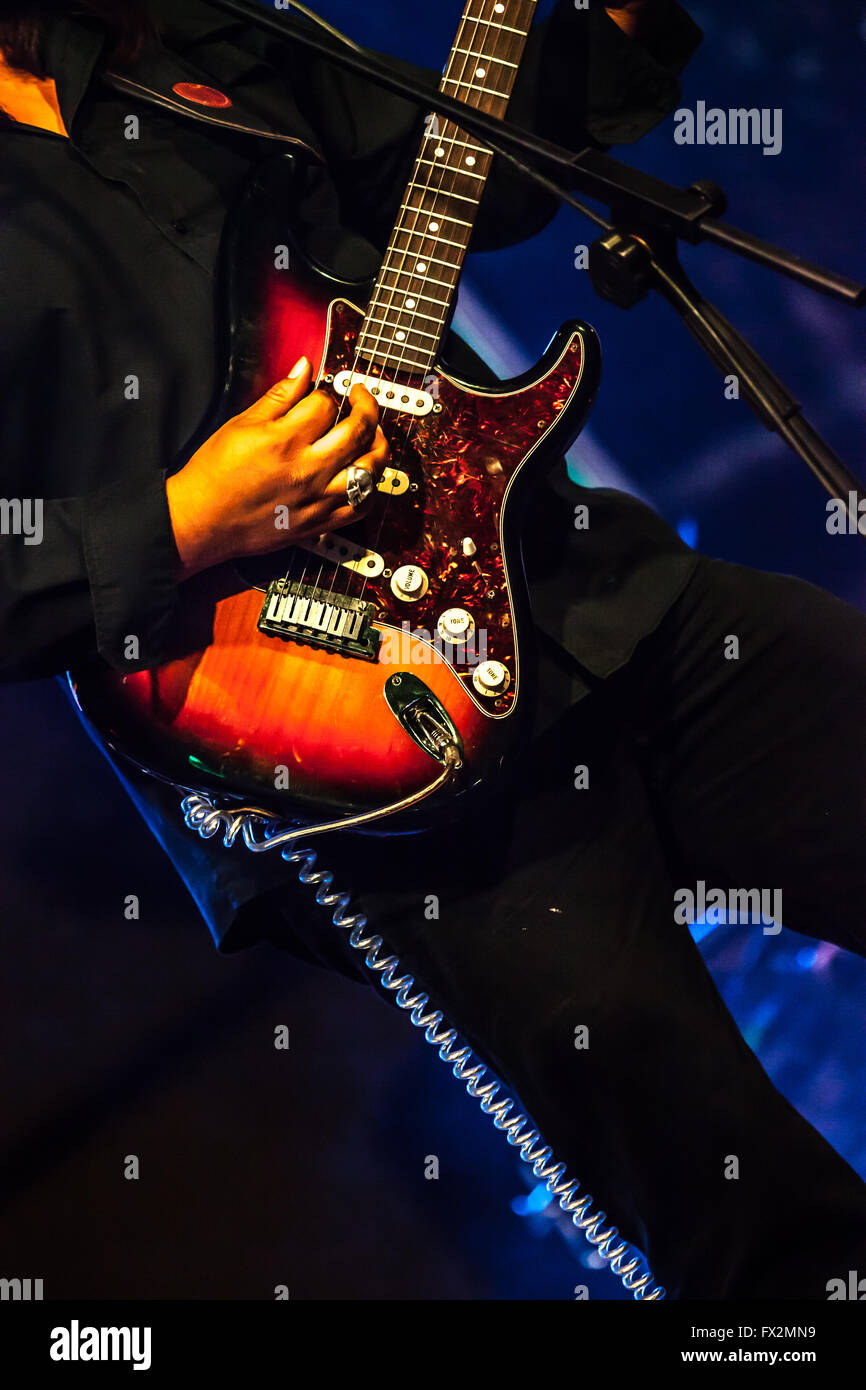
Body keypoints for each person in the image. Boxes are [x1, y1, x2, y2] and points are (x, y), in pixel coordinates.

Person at [1, 0, 864, 1300]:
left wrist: (603, 28)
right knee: (744, 1212)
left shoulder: (206, 34)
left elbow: (467, 170)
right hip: (355, 755)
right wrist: (181, 522)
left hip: (587, 596)